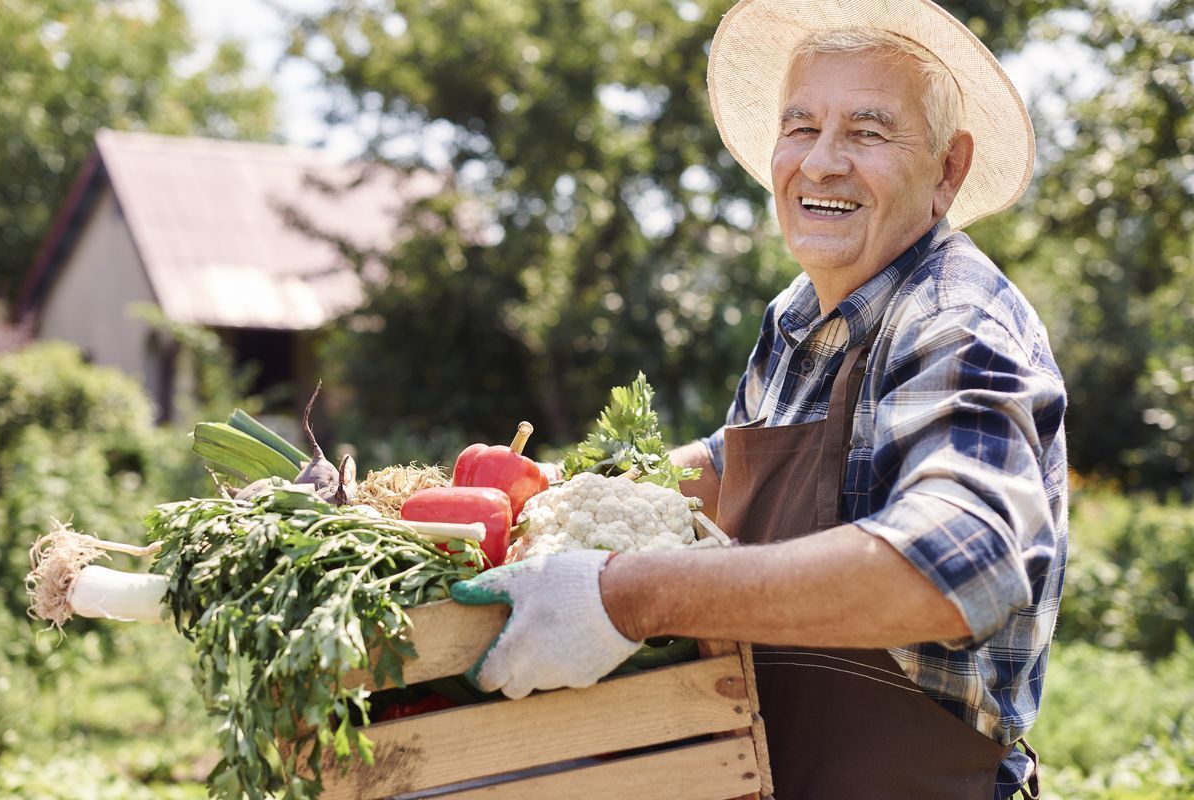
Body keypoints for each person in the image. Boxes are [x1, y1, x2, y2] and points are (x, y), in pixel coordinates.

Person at [451, 1, 1067, 797]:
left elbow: (960, 566)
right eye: (801, 126)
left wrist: (625, 597)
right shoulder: (799, 315)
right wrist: (556, 500)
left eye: (869, 132)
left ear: (948, 170)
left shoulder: (955, 321)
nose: (821, 163)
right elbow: (734, 462)